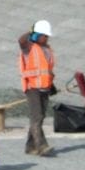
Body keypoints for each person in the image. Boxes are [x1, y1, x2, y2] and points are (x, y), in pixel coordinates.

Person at [18, 19, 57, 157]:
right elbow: (21, 40)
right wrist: (31, 31)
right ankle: (41, 146)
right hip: (32, 87)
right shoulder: (29, 47)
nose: (46, 38)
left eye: (47, 36)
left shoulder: (47, 49)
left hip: (45, 87)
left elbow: (46, 70)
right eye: (44, 35)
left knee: (40, 117)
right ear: (36, 35)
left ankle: (30, 146)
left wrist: (51, 85)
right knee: (37, 116)